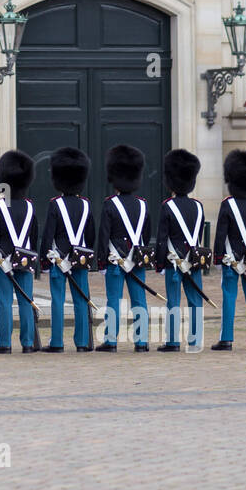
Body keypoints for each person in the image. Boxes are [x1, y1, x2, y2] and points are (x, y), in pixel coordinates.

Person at [96, 144, 152, 352]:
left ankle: (111, 341)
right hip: (136, 259)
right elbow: (147, 233)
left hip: (115, 259)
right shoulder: (143, 204)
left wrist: (102, 261)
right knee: (139, 300)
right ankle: (142, 341)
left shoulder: (110, 204)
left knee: (114, 300)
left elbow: (104, 235)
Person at [38, 147, 94, 352]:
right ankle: (82, 342)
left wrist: (45, 260)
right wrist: (86, 255)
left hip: (59, 259)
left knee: (58, 301)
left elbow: (48, 235)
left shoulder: (55, 204)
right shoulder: (86, 204)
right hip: (80, 257)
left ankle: (57, 342)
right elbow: (91, 235)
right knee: (81, 300)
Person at [212, 150, 246, 351]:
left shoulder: (227, 205)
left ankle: (226, 339)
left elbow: (221, 234)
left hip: (231, 259)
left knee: (229, 297)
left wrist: (218, 258)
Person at [0, 150, 39, 354]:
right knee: (26, 301)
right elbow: (34, 236)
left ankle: (5, 343)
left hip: (4, 260)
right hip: (25, 259)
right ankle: (27, 343)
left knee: (5, 302)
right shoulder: (30, 207)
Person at [155, 149, 205, 351]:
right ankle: (196, 340)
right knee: (195, 301)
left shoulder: (167, 206)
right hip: (193, 260)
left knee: (173, 302)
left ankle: (173, 341)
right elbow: (199, 234)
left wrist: (160, 263)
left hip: (174, 262)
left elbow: (162, 239)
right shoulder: (199, 206)